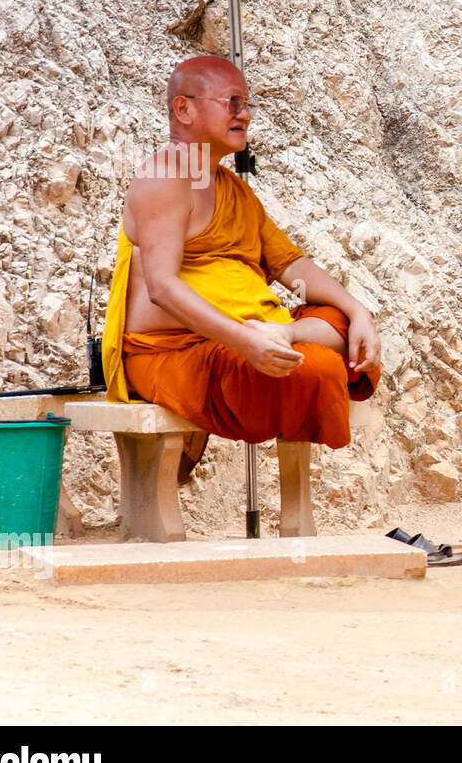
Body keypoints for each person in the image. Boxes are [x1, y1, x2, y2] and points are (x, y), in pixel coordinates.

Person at [102, 56, 382, 478]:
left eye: (246, 103)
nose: (245, 114)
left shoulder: (232, 187)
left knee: (342, 321)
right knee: (319, 368)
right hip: (178, 349)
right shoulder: (163, 178)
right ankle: (275, 341)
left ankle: (283, 333)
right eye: (231, 102)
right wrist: (244, 341)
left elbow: (291, 265)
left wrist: (360, 311)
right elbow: (162, 287)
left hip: (249, 337)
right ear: (184, 109)